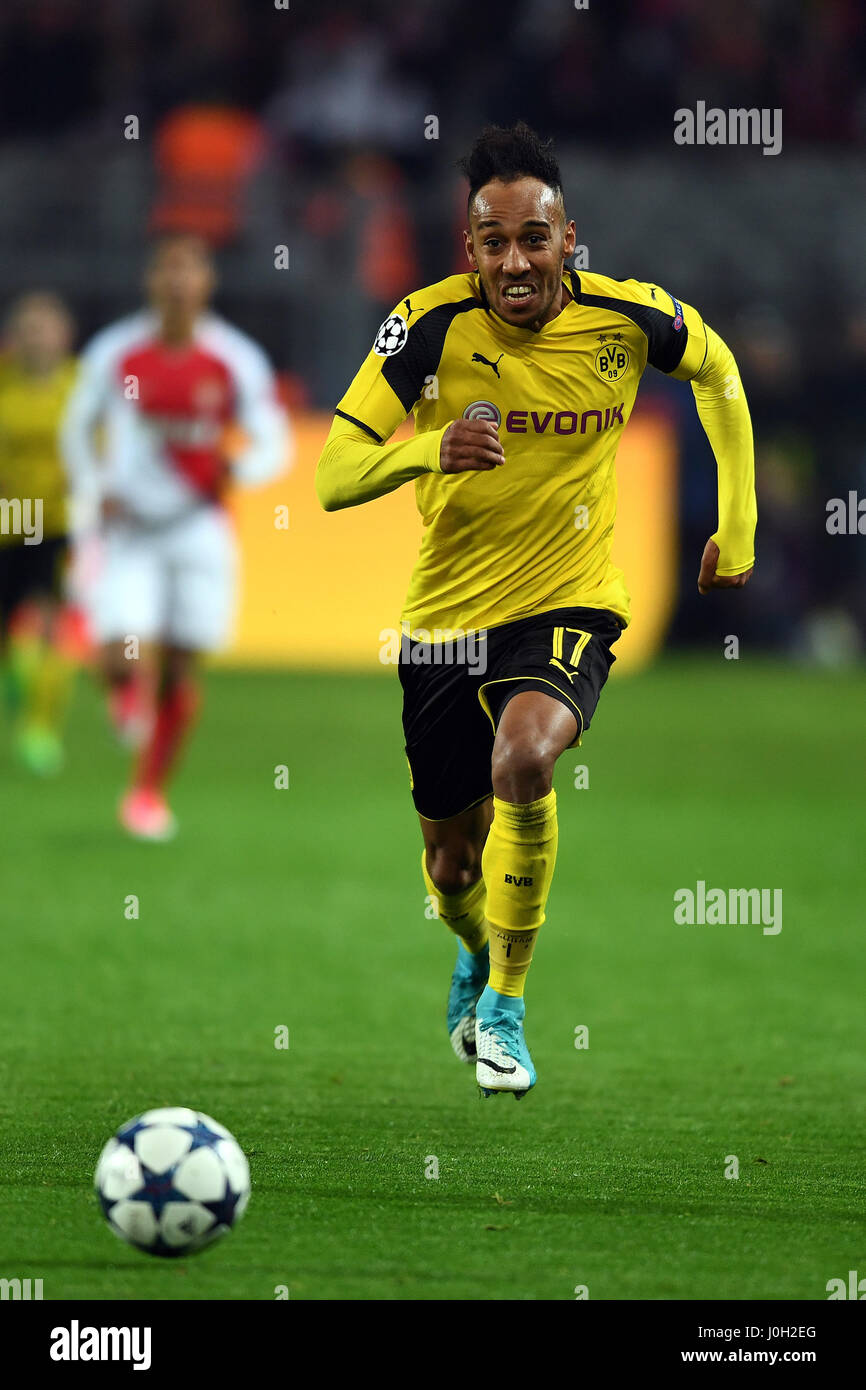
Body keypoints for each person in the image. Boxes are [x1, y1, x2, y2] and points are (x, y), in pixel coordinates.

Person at [316, 123, 756, 1098]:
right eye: (492, 242)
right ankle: (473, 953)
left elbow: (718, 372)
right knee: (446, 864)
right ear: (467, 249)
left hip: (568, 599)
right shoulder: (424, 327)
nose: (514, 260)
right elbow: (331, 475)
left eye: (532, 237)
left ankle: (507, 1004)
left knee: (523, 756)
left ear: (567, 238)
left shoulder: (627, 318)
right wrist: (426, 451)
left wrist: (739, 522)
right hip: (444, 619)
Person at [62, 234, 291, 839]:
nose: (177, 282)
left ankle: (146, 794)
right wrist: (90, 487)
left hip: (198, 527)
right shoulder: (116, 352)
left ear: (206, 284)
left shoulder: (234, 359)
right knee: (119, 656)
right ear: (152, 280)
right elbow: (77, 425)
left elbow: (274, 439)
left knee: (181, 668)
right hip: (130, 529)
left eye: (189, 270)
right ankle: (122, 690)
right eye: (167, 269)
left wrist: (237, 468)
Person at [0, 292, 79, 774]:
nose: (36, 337)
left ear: (63, 336)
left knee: (53, 618)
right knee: (9, 622)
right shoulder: (5, 384)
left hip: (62, 517)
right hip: (12, 514)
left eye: (45, 328)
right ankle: (17, 684)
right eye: (28, 328)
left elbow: (101, 440)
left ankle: (41, 726)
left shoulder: (80, 384)